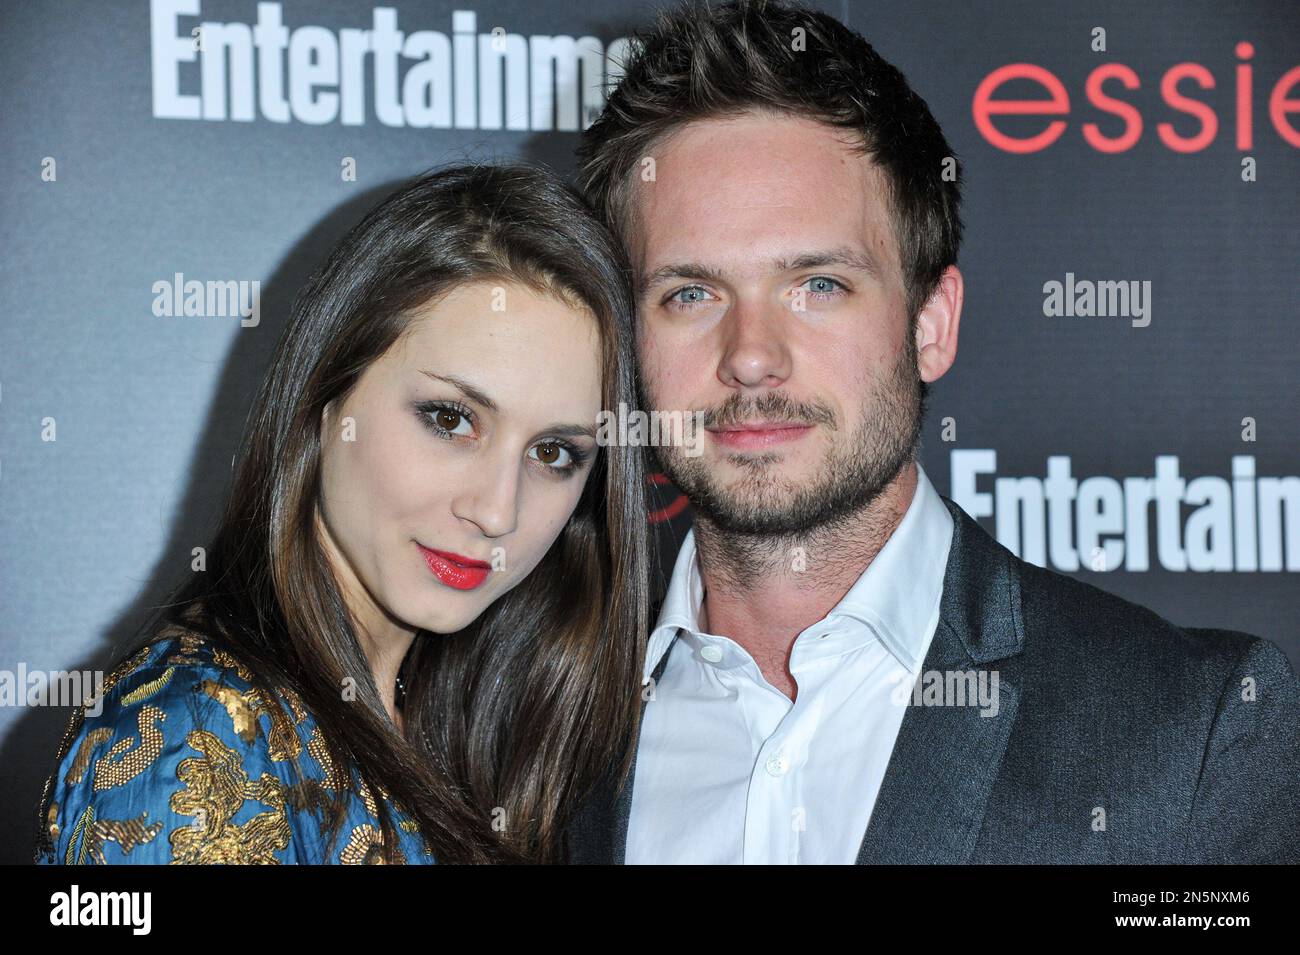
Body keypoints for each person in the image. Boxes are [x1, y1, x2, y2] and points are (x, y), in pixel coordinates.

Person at [565, 0, 1300, 864]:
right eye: (690, 293)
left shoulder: (1193, 734)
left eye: (819, 284)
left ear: (930, 324)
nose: (752, 358)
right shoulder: (543, 725)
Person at [35, 161, 648, 865]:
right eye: (450, 419)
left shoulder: (469, 731)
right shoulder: (195, 734)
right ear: (326, 403)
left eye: (553, 453)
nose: (496, 510)